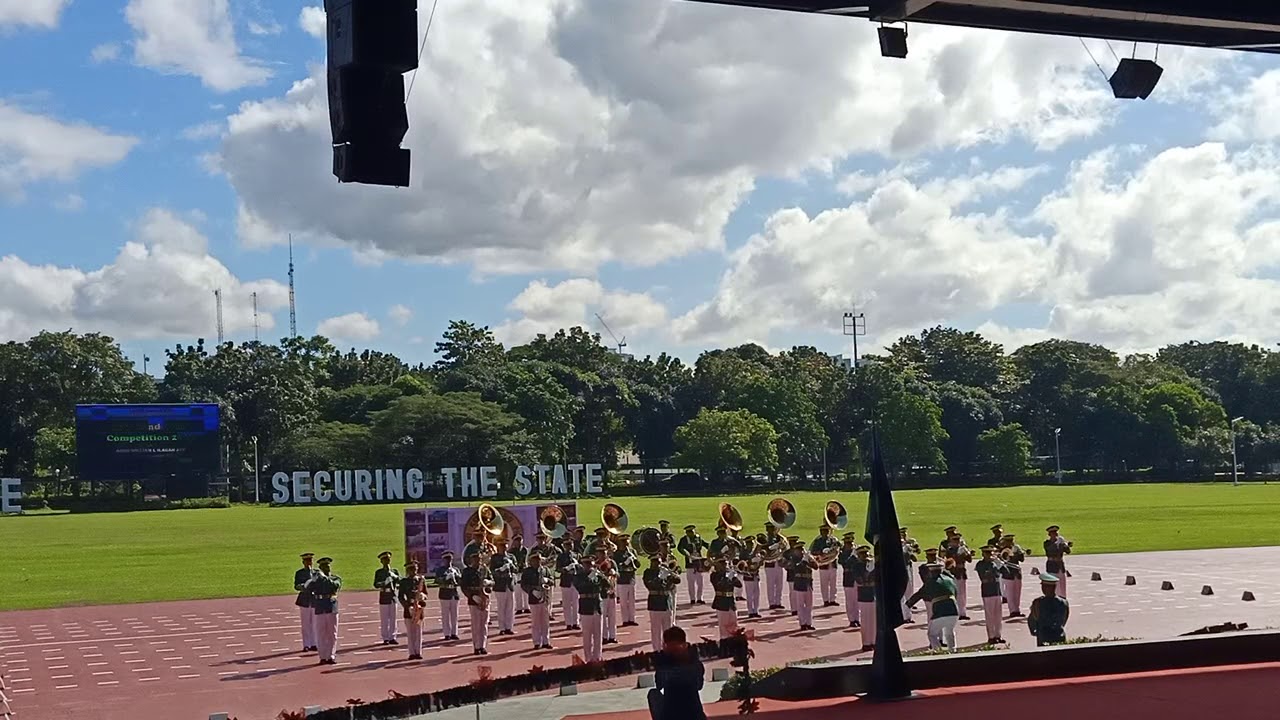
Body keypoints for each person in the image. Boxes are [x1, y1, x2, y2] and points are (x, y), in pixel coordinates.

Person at [648, 626, 707, 720]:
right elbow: (699, 685)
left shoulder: (664, 665)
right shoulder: (695, 663)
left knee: (653, 694)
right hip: (695, 714)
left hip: (670, 715)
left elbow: (659, 684)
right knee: (653, 694)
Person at [907, 563, 959, 652]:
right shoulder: (950, 579)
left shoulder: (930, 583)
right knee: (949, 631)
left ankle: (938, 651)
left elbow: (918, 595)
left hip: (940, 611)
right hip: (954, 610)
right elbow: (956, 593)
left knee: (932, 634)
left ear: (931, 573)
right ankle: (953, 650)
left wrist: (907, 605)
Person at [306, 557, 342, 665]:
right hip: (320, 606)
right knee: (320, 633)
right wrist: (311, 580)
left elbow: (334, 586)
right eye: (323, 566)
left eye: (327, 566)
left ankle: (331, 655)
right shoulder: (318, 580)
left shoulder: (336, 578)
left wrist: (324, 578)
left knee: (332, 633)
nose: (326, 568)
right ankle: (322, 656)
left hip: (331, 606)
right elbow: (307, 589)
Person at [644, 554, 681, 651]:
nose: (658, 564)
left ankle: (668, 649)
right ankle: (656, 650)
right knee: (656, 631)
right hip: (655, 603)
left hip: (666, 603)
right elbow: (650, 585)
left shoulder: (664, 571)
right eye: (656, 562)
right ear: (651, 563)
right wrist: (660, 578)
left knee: (668, 630)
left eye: (659, 562)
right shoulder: (648, 573)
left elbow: (678, 580)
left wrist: (670, 573)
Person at [576, 554, 608, 663]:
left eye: (591, 564)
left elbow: (607, 586)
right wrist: (590, 578)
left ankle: (597, 657)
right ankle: (588, 659)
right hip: (586, 607)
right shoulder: (579, 576)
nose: (589, 566)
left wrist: (602, 576)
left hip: (597, 606)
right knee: (587, 636)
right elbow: (580, 587)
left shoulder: (597, 574)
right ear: (583, 565)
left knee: (598, 635)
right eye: (587, 564)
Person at [461, 552, 494, 655]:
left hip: (485, 597)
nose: (477, 561)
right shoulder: (467, 572)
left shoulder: (484, 570)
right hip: (474, 598)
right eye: (475, 559)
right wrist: (471, 596)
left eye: (479, 559)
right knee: (476, 624)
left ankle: (483, 646)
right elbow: (463, 586)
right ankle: (476, 647)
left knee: (484, 624)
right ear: (471, 560)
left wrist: (488, 583)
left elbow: (493, 581)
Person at [520, 552, 555, 649]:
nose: (537, 562)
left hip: (545, 597)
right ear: (531, 561)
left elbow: (552, 581)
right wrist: (532, 591)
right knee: (536, 622)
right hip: (534, 598)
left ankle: (546, 641)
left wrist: (548, 580)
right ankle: (536, 642)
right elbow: (523, 585)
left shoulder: (545, 570)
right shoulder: (527, 572)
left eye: (538, 560)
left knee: (545, 621)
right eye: (535, 560)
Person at [973, 545, 1005, 644]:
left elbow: (1006, 572)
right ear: (983, 554)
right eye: (987, 553)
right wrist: (994, 567)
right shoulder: (980, 564)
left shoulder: (995, 563)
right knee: (990, 615)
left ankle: (998, 635)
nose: (990, 555)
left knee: (998, 616)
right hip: (987, 591)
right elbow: (984, 576)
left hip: (997, 591)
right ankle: (991, 636)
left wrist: (1001, 564)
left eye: (991, 553)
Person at [1028, 574, 1070, 645]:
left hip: (1044, 637)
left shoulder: (1038, 603)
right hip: (1059, 636)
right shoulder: (1064, 602)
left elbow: (1032, 620)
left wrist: (1033, 631)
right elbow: (1064, 619)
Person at [398, 560, 427, 660]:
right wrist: (406, 606)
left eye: (414, 569)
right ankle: (411, 652)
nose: (413, 571)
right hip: (409, 607)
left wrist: (422, 598)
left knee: (418, 632)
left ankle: (418, 652)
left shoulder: (420, 580)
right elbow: (400, 596)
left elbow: (425, 593)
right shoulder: (404, 582)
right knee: (410, 632)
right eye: (410, 569)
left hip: (418, 608)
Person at [709, 557, 742, 640]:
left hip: (731, 602)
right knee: (724, 626)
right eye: (723, 564)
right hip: (721, 602)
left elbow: (739, 585)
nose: (725, 566)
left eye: (726, 564)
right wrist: (728, 577)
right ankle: (724, 644)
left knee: (734, 624)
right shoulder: (714, 575)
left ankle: (733, 642)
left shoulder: (729, 574)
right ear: (718, 565)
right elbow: (720, 585)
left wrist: (734, 577)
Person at [490, 539, 517, 636]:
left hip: (509, 584)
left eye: (505, 546)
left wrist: (512, 565)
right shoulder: (495, 558)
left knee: (510, 607)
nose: (503, 548)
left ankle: (509, 627)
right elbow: (491, 571)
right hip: (500, 585)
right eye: (501, 546)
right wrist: (500, 569)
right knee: (501, 607)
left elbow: (516, 569)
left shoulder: (511, 557)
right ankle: (502, 628)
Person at [944, 532, 974, 620]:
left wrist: (967, 553)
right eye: (955, 540)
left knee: (962, 594)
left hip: (962, 572)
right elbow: (950, 561)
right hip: (954, 573)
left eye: (958, 540)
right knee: (954, 593)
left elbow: (969, 560)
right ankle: (955, 611)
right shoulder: (949, 550)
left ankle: (962, 613)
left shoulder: (963, 549)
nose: (956, 542)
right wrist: (959, 554)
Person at [373, 551, 401, 645]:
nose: (387, 560)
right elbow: (376, 584)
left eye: (388, 558)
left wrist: (395, 577)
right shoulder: (379, 572)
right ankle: (385, 637)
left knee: (393, 618)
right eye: (385, 559)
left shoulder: (394, 571)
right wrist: (384, 582)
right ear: (381, 561)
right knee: (385, 618)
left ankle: (393, 636)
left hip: (393, 596)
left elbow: (400, 581)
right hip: (384, 595)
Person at [677, 525, 709, 605]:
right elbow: (679, 548)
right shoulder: (684, 540)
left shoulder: (698, 537)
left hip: (699, 562)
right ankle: (692, 598)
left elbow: (705, 544)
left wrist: (711, 549)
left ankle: (699, 598)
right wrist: (686, 554)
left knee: (700, 581)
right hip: (690, 563)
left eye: (692, 531)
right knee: (691, 582)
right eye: (690, 532)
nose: (692, 533)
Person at [853, 545, 877, 651]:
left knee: (874, 620)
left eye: (866, 554)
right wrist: (868, 573)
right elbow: (860, 580)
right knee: (865, 621)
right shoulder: (857, 566)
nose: (865, 556)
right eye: (862, 554)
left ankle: (874, 641)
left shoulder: (873, 565)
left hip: (874, 595)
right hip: (864, 595)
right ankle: (866, 643)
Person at [293, 552, 318, 652]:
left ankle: (314, 643)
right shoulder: (300, 573)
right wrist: (303, 586)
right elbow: (296, 585)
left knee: (315, 623)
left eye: (310, 560)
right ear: (303, 562)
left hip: (315, 600)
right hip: (305, 600)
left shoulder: (317, 572)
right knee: (306, 624)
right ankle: (306, 644)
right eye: (307, 560)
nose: (309, 562)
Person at [810, 525, 840, 607]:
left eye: (826, 531)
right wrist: (821, 553)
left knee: (833, 583)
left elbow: (838, 548)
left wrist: (834, 550)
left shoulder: (833, 540)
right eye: (823, 531)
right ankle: (826, 600)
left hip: (833, 564)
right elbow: (812, 551)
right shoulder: (817, 541)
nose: (825, 533)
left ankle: (833, 599)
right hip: (823, 565)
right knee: (824, 584)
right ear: (821, 532)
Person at [614, 533, 641, 627]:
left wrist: (634, 559)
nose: (626, 545)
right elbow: (617, 567)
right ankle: (625, 620)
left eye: (627, 542)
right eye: (624, 542)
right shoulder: (616, 554)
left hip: (631, 578)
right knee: (624, 601)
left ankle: (632, 619)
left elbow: (638, 565)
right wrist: (626, 562)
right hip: (622, 579)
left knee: (632, 601)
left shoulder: (632, 551)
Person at [434, 551, 462, 641]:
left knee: (455, 615)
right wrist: (445, 578)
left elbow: (460, 580)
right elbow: (437, 580)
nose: (448, 561)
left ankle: (454, 633)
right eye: (447, 559)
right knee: (445, 615)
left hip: (454, 593)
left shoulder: (455, 569)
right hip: (445, 593)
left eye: (450, 559)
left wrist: (457, 576)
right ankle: (447, 634)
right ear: (443, 560)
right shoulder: (440, 570)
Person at [556, 538, 581, 630]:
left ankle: (576, 622)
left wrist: (577, 565)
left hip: (575, 581)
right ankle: (568, 623)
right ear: (564, 546)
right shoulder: (561, 556)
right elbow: (558, 569)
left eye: (570, 544)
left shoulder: (577, 555)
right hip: (566, 581)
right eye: (567, 545)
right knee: (566, 604)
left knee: (576, 603)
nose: (569, 547)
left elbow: (582, 568)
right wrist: (566, 568)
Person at [792, 541, 817, 631]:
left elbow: (816, 566)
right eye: (799, 549)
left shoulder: (807, 558)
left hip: (808, 584)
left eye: (802, 549)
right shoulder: (794, 559)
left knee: (809, 606)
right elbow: (797, 568)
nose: (801, 551)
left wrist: (811, 559)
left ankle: (809, 623)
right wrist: (804, 561)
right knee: (800, 605)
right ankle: (802, 623)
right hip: (799, 584)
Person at [597, 546, 620, 645]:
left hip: (612, 592)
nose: (603, 555)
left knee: (612, 616)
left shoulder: (612, 562)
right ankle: (604, 636)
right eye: (601, 553)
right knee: (603, 616)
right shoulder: (596, 564)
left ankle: (612, 636)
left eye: (604, 553)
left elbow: (618, 575)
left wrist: (614, 573)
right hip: (602, 593)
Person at [999, 535, 1026, 616]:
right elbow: (1004, 559)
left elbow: (1022, 560)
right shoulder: (1003, 550)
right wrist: (1013, 555)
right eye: (1009, 541)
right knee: (1010, 593)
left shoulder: (1016, 548)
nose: (1011, 543)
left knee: (1017, 592)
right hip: (1008, 573)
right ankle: (1012, 610)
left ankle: (1017, 609)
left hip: (1017, 572)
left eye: (1011, 541)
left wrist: (1020, 553)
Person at [837, 533, 860, 628]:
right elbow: (845, 564)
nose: (850, 545)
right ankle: (851, 620)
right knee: (850, 601)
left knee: (857, 600)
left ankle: (857, 619)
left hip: (857, 578)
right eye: (848, 543)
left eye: (851, 543)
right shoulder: (842, 554)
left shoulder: (857, 552)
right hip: (848, 578)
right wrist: (853, 556)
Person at [761, 522, 786, 610]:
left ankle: (778, 602)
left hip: (779, 563)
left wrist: (780, 547)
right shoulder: (764, 539)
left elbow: (784, 548)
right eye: (769, 529)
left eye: (772, 528)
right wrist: (770, 548)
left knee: (779, 584)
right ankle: (771, 603)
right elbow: (762, 551)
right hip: (770, 564)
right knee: (770, 584)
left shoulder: (779, 538)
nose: (771, 530)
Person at [1043, 525, 1073, 598]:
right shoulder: (1047, 543)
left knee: (1062, 586)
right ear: (1049, 534)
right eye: (1053, 533)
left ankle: (1063, 600)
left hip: (1060, 566)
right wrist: (1059, 544)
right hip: (1052, 566)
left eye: (1056, 533)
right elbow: (1051, 551)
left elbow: (1068, 551)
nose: (1055, 535)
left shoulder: (1061, 543)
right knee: (1054, 586)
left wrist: (1065, 545)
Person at [900, 527, 920, 622]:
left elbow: (915, 558)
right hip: (900, 569)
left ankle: (907, 614)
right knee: (902, 592)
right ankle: (904, 615)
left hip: (907, 567)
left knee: (909, 588)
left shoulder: (907, 546)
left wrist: (911, 550)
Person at [740, 535, 762, 618]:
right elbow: (743, 562)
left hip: (756, 575)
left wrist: (760, 562)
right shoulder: (744, 552)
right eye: (750, 543)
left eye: (753, 543)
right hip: (748, 575)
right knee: (749, 595)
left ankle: (756, 610)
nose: (752, 545)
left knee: (756, 594)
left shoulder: (756, 553)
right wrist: (751, 560)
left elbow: (759, 563)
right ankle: (750, 611)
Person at [511, 534, 530, 616]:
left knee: (526, 590)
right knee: (517, 590)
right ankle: (519, 608)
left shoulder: (525, 550)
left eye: (520, 540)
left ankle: (527, 607)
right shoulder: (511, 551)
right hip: (516, 572)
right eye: (517, 540)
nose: (518, 542)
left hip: (524, 571)